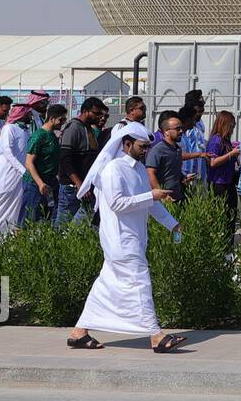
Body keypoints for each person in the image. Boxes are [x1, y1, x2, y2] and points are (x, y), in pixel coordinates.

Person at [68, 122, 188, 353]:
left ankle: (79, 333)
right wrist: (150, 195)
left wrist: (173, 225)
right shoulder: (114, 169)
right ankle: (156, 336)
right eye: (142, 146)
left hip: (133, 239)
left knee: (106, 285)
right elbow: (117, 203)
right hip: (120, 240)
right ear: (126, 144)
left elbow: (150, 203)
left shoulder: (139, 169)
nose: (145, 151)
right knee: (140, 283)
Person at [56, 98, 106, 226]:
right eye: (95, 113)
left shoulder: (89, 129)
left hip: (86, 188)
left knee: (81, 226)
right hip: (72, 188)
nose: (98, 117)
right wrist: (79, 184)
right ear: (85, 111)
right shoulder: (73, 128)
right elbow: (65, 159)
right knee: (63, 226)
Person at [0, 105, 34, 235]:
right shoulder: (9, 129)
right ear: (21, 115)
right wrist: (22, 170)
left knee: (13, 210)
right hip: (6, 176)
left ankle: (5, 238)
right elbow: (6, 151)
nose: (30, 117)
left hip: (18, 178)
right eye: (28, 114)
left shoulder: (24, 131)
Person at [22, 104, 67, 222]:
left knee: (48, 218)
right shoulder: (39, 136)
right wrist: (40, 183)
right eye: (61, 119)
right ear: (52, 119)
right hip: (36, 184)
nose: (63, 122)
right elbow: (29, 163)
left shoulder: (52, 135)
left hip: (50, 182)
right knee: (29, 220)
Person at [205, 109, 240, 240]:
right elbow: (212, 162)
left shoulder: (226, 141)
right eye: (231, 126)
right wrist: (231, 154)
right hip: (218, 184)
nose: (232, 130)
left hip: (228, 182)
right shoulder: (216, 141)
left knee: (230, 217)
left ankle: (228, 247)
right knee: (220, 218)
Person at [147, 112, 193, 203]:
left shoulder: (177, 149)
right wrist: (161, 195)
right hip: (165, 200)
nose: (181, 131)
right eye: (177, 129)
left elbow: (173, 171)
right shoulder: (158, 150)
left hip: (178, 196)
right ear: (166, 132)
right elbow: (150, 173)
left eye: (181, 128)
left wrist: (183, 178)